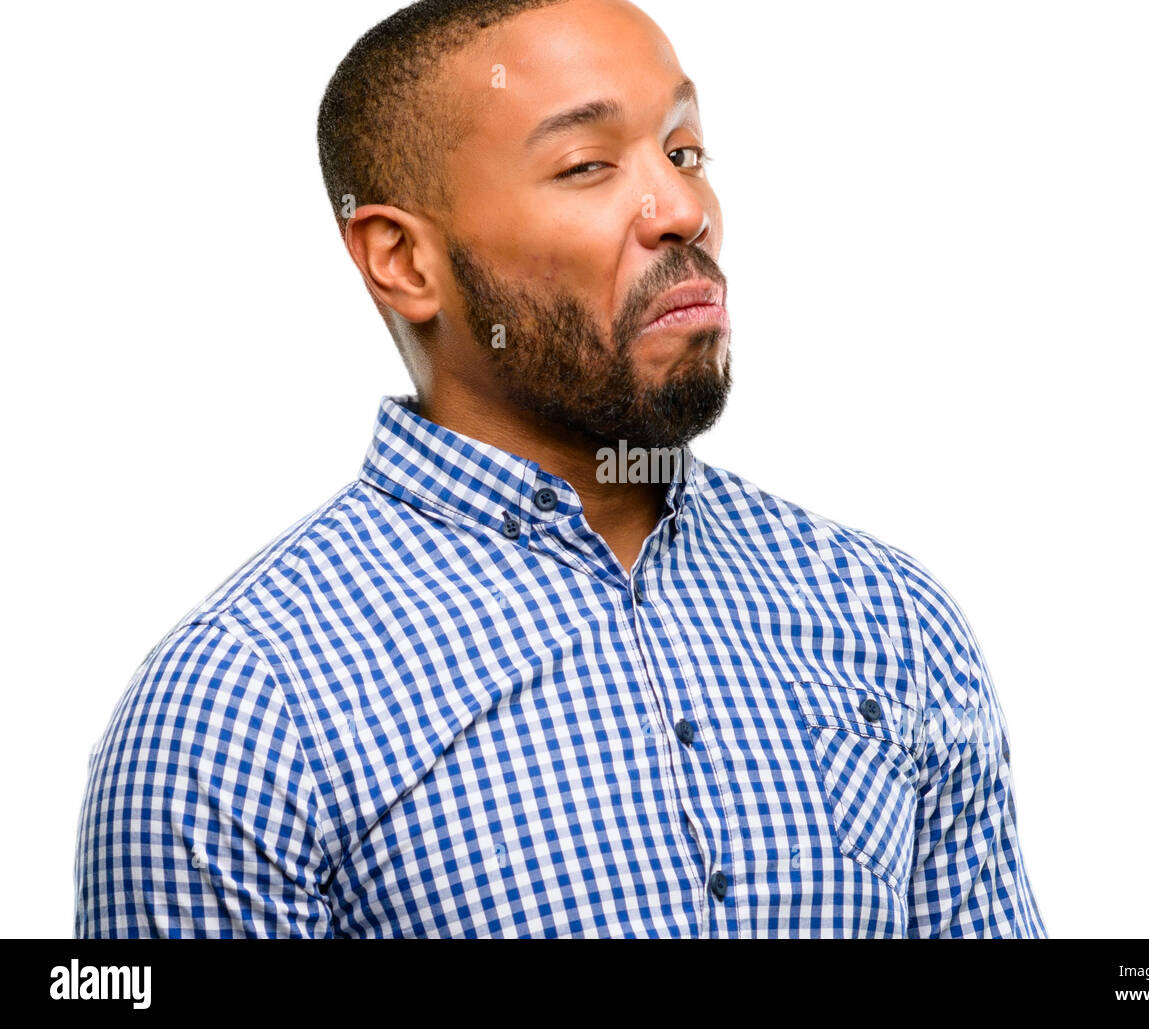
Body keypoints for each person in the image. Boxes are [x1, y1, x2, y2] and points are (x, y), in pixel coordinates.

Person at [75, 0, 1047, 938]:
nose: (682, 210)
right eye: (587, 165)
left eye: (685, 152)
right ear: (403, 261)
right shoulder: (236, 710)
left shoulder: (887, 614)